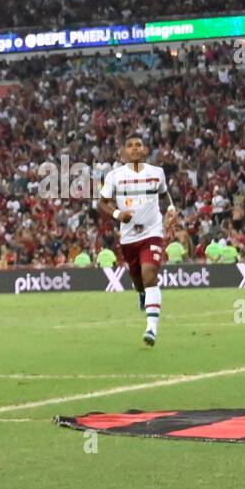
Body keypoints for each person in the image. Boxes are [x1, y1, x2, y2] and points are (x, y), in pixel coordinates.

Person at [98, 134, 178, 347]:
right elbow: (102, 203)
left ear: (145, 151)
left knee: (150, 275)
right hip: (128, 237)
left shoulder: (157, 173)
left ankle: (151, 328)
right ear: (124, 152)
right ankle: (142, 293)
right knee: (138, 281)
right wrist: (117, 214)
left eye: (138, 145)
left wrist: (170, 209)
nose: (134, 149)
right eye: (130, 146)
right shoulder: (115, 176)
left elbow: (165, 194)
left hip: (152, 233)